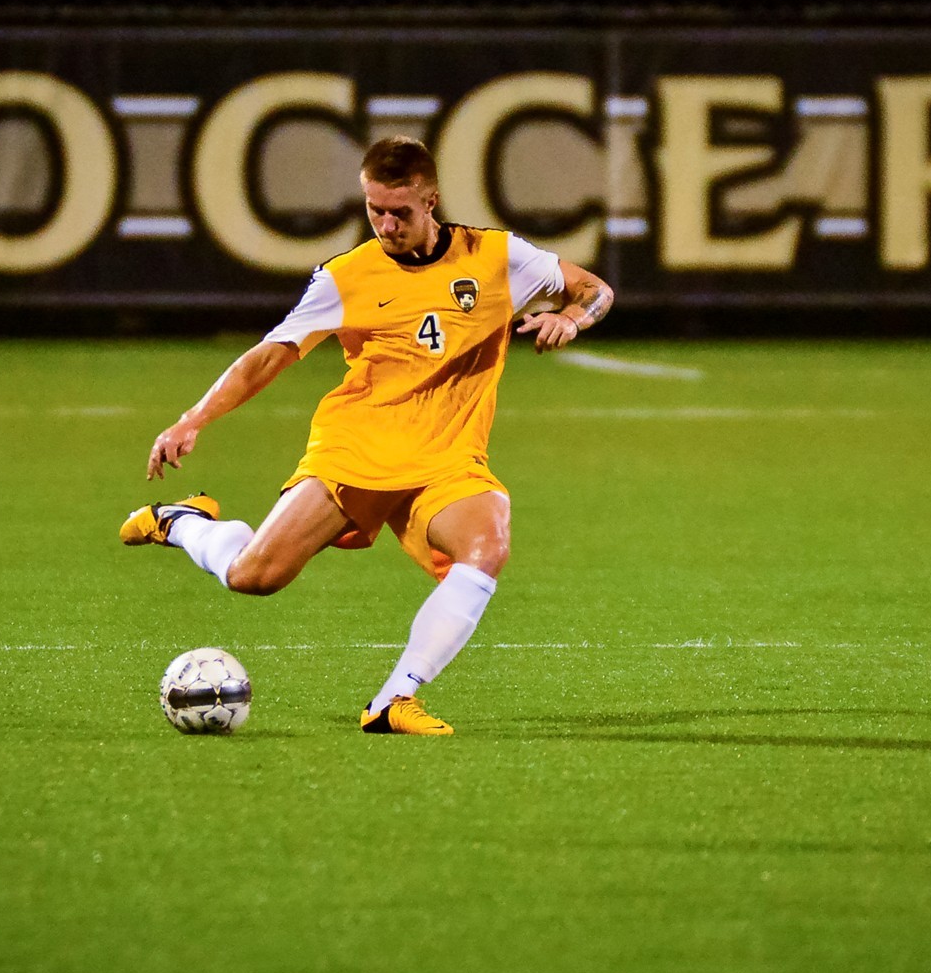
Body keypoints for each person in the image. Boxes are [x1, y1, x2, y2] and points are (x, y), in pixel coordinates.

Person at [120, 135, 613, 735]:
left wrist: (570, 315)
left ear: (431, 200)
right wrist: (192, 418)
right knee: (255, 577)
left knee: (488, 543)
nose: (385, 224)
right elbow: (270, 355)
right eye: (374, 209)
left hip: (446, 460)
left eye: (399, 211)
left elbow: (595, 290)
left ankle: (392, 701)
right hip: (357, 450)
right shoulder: (346, 277)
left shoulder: (496, 257)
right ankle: (182, 521)